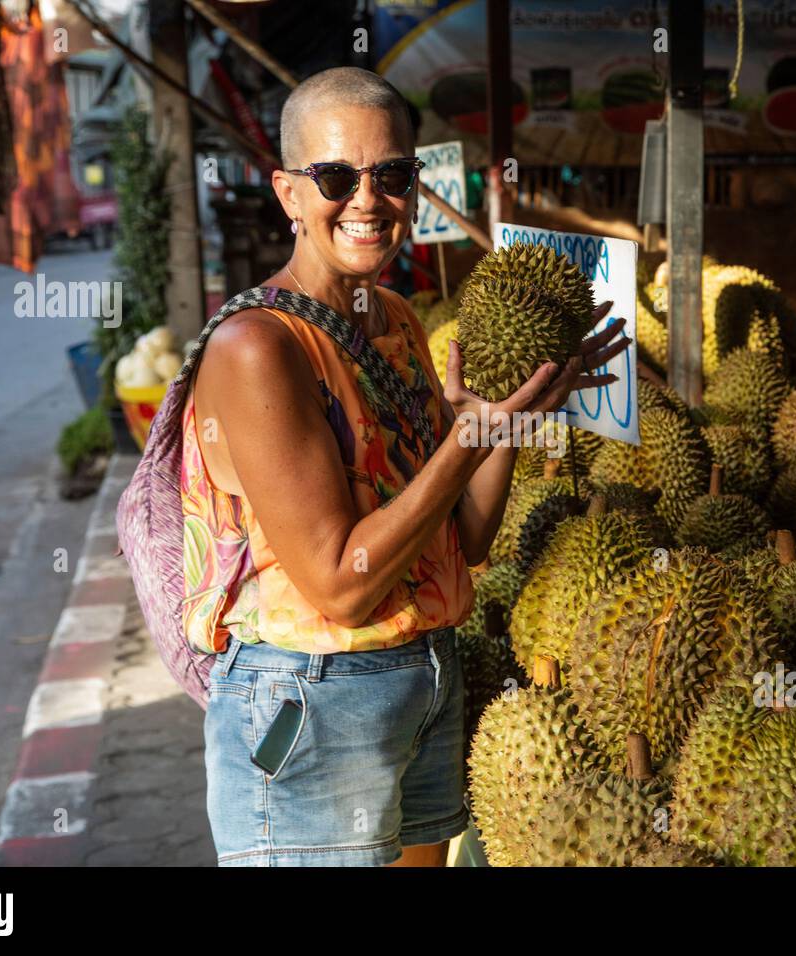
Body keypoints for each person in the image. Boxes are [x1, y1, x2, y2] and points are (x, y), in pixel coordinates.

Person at [181, 66, 628, 867]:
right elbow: (342, 585)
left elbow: (465, 540)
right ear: (288, 193)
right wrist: (465, 440)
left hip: (424, 680)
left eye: (391, 174)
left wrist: (507, 421)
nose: (368, 199)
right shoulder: (258, 349)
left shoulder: (391, 319)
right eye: (335, 177)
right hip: (314, 701)